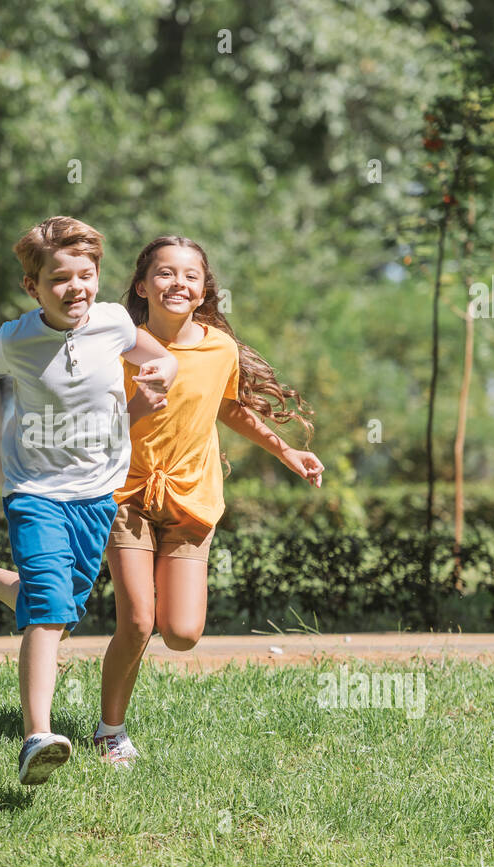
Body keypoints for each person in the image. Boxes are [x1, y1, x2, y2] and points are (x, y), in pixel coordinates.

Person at [0, 216, 178, 786]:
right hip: (35, 493)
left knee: (57, 613)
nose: (77, 289)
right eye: (61, 279)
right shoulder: (14, 339)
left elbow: (158, 355)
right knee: (48, 611)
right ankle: (36, 737)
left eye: (87, 275)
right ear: (33, 287)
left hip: (97, 494)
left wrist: (161, 374)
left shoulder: (116, 323)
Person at [94, 235, 324, 768]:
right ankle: (110, 731)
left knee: (181, 633)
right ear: (141, 285)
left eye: (190, 276)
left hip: (192, 498)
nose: (178, 283)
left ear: (203, 290)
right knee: (137, 622)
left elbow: (232, 407)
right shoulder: (119, 342)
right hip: (124, 492)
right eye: (165, 273)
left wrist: (286, 450)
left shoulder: (218, 348)